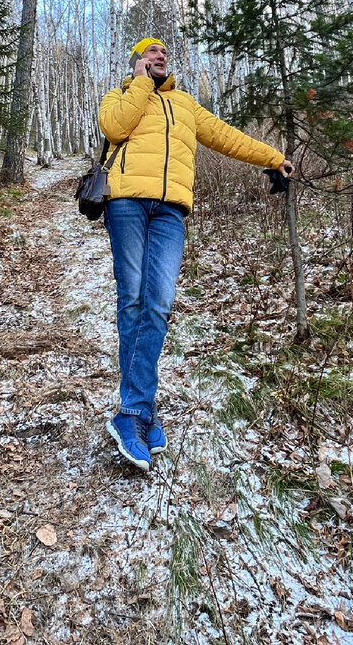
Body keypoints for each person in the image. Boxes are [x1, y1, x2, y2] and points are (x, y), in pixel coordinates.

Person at [97, 37, 295, 471]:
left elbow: (225, 136)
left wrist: (273, 156)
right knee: (132, 297)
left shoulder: (185, 104)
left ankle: (138, 408)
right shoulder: (120, 95)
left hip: (171, 210)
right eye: (150, 52)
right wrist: (139, 85)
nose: (159, 55)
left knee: (159, 304)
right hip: (125, 203)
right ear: (136, 61)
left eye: (163, 53)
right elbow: (114, 128)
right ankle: (135, 411)